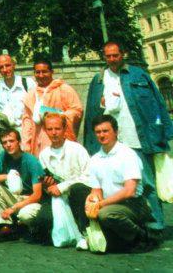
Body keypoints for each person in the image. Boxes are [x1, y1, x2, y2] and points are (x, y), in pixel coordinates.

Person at [83, 41, 173, 234]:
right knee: (116, 183)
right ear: (104, 57)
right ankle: (130, 220)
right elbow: (91, 112)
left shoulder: (138, 74)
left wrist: (165, 131)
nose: (112, 59)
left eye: (115, 55)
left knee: (146, 183)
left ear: (123, 54)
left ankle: (156, 224)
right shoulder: (99, 80)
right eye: (108, 56)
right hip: (113, 141)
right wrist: (91, 141)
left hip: (138, 138)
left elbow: (158, 103)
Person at [85, 114, 156, 252]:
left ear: (116, 132)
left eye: (105, 131)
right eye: (98, 132)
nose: (102, 135)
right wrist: (92, 202)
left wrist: (100, 205)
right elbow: (96, 190)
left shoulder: (127, 155)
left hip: (133, 204)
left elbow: (129, 191)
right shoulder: (95, 159)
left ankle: (143, 237)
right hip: (109, 204)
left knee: (106, 214)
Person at [33, 112, 92, 247]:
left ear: (64, 129)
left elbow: (88, 176)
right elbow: (46, 184)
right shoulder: (44, 155)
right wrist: (47, 186)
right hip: (57, 198)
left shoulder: (77, 149)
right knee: (42, 220)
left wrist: (62, 186)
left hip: (78, 196)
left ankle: (84, 233)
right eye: (50, 129)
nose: (54, 133)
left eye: (57, 129)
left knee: (78, 189)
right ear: (45, 130)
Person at [0, 128, 44, 241]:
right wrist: (8, 176)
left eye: (11, 141)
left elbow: (37, 195)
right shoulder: (3, 156)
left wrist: (14, 208)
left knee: (25, 215)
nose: (8, 145)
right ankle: (5, 225)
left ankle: (28, 228)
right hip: (14, 196)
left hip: (29, 200)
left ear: (19, 142)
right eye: (4, 142)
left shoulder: (31, 161)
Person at [21, 56, 83, 156]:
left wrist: (56, 116)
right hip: (37, 143)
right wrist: (26, 144)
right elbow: (27, 121)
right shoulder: (31, 95)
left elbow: (77, 111)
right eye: (37, 72)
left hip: (59, 140)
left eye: (44, 72)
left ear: (51, 72)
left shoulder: (64, 89)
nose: (41, 75)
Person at [0, 55, 35, 133]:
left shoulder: (28, 83)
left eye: (7, 65)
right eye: (1, 67)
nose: (5, 70)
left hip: (26, 131)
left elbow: (35, 109)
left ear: (14, 65)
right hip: (6, 133)